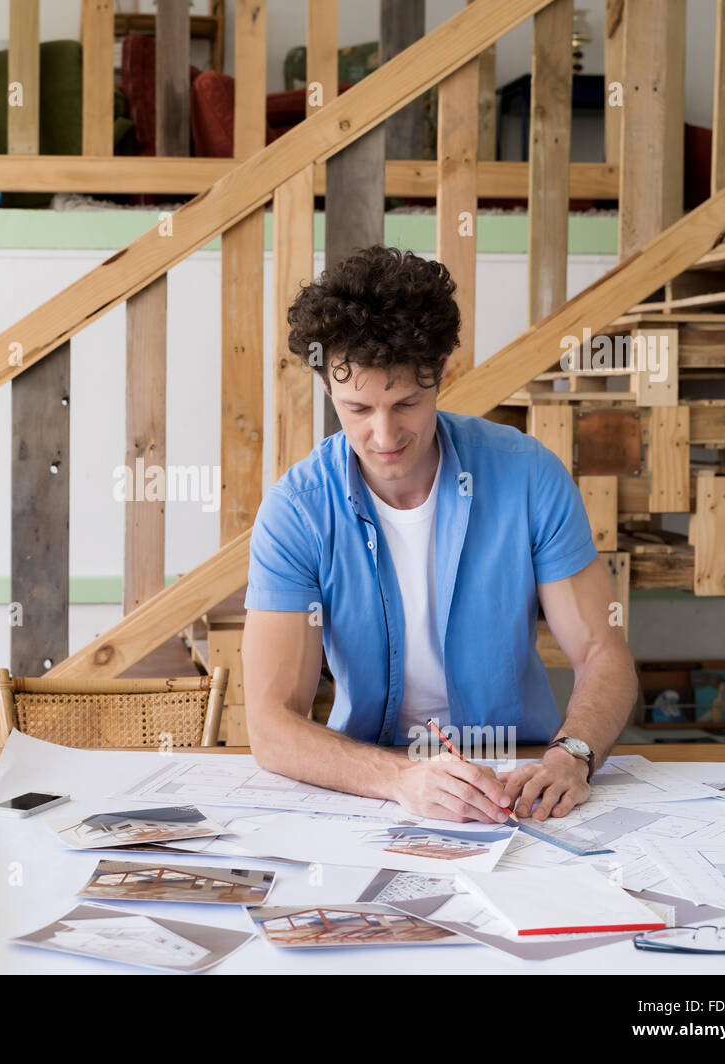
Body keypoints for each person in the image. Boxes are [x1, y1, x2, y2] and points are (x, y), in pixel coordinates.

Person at [242, 246, 638, 824]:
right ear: (328, 387)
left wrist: (572, 756)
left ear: (441, 372)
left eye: (406, 403)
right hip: (372, 782)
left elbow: (604, 652)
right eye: (357, 408)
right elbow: (272, 727)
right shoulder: (295, 512)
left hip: (523, 776)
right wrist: (402, 779)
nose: (383, 435)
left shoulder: (527, 475)